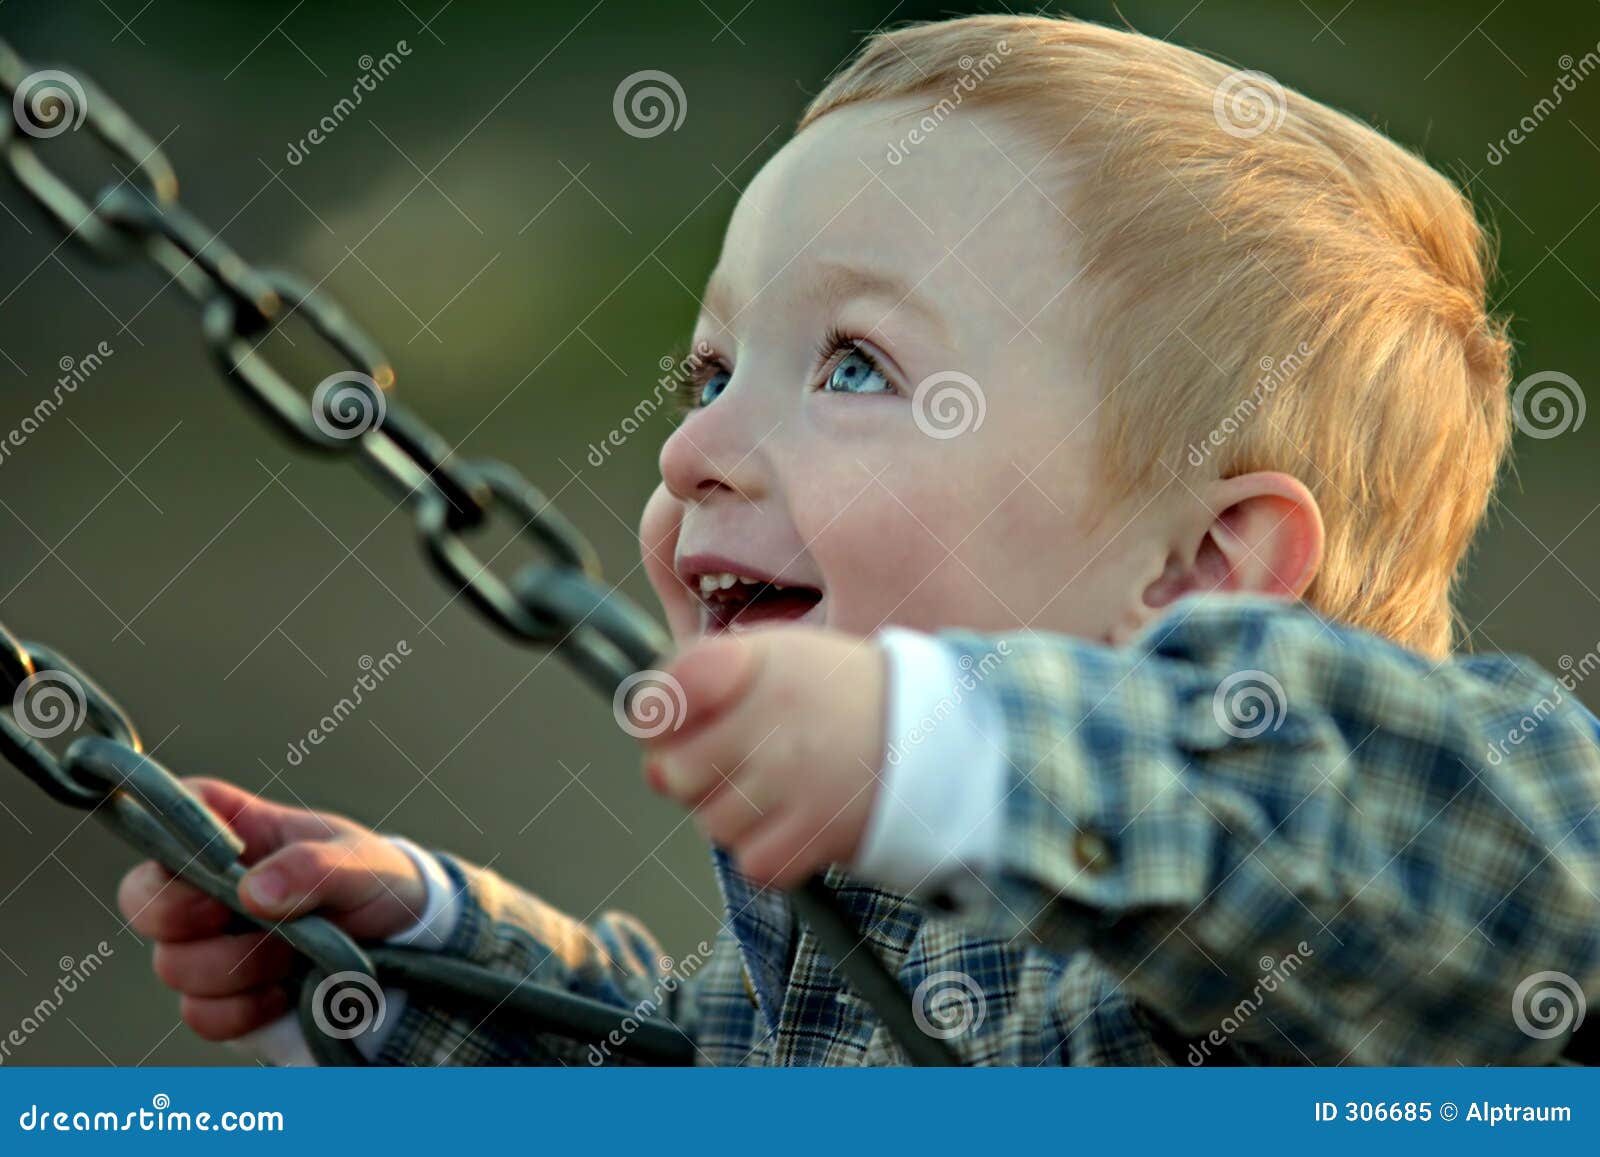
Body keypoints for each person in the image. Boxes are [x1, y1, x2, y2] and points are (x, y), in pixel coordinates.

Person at [118, 13, 1600, 1066]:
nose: (692, 450)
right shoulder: (865, 938)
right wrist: (426, 956)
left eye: (854, 368)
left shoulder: (1284, 953)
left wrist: (962, 747)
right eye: (707, 373)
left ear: (1203, 574)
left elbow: (1507, 880)